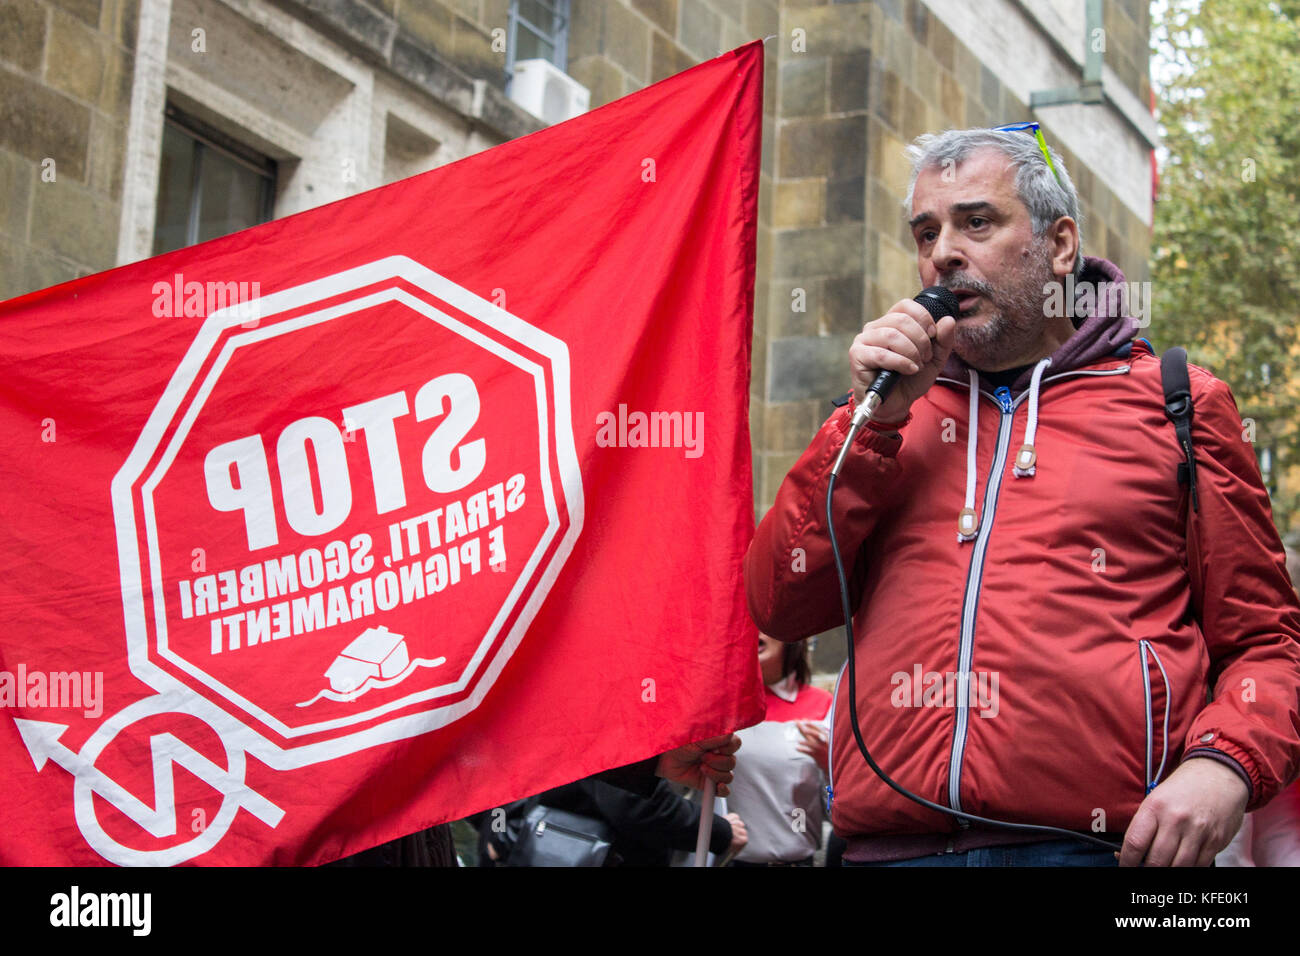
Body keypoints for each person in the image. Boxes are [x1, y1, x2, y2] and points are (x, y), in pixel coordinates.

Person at [744, 126, 1300, 867]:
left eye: (977, 221)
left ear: (1060, 246)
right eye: (926, 231)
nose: (943, 251)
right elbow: (782, 604)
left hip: (1094, 851)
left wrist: (1224, 764)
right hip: (887, 851)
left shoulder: (1178, 402)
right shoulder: (885, 416)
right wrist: (867, 424)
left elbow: (1267, 645)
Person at [725, 634, 831, 866]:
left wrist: (829, 766)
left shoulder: (826, 706)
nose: (753, 632)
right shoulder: (720, 707)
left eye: (764, 624)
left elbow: (836, 811)